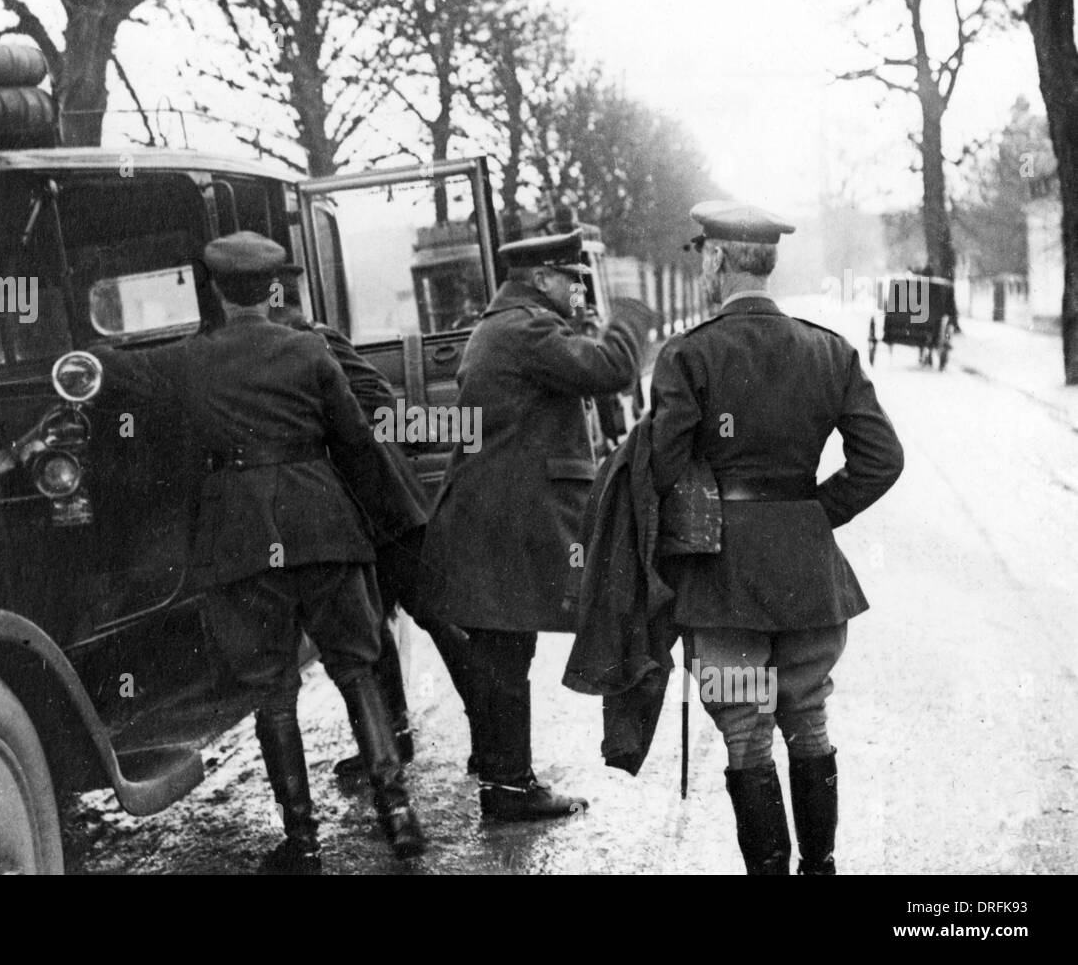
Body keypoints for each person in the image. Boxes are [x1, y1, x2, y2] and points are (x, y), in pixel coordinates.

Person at [93, 232, 426, 873]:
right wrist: (391, 524)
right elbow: (358, 443)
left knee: (272, 693)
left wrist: (85, 354)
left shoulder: (186, 360)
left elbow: (116, 374)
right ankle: (399, 816)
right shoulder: (308, 349)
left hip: (242, 541)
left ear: (214, 290)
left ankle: (302, 845)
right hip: (325, 527)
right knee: (357, 669)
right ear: (272, 290)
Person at [649, 201, 904, 874]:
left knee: (744, 728)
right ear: (767, 262)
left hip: (723, 579)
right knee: (809, 719)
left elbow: (665, 470)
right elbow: (882, 459)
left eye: (701, 257)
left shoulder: (688, 357)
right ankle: (820, 869)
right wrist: (814, 512)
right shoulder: (830, 349)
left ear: (714, 261)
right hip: (809, 574)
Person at [421, 230, 651, 821]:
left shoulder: (506, 326)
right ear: (541, 279)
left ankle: (504, 774)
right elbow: (612, 368)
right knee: (505, 651)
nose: (579, 287)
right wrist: (628, 312)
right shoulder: (525, 329)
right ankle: (509, 787)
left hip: (492, 513)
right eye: (572, 277)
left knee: (504, 648)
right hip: (503, 518)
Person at [267, 264, 478, 777]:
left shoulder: (314, 340)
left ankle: (492, 737)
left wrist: (337, 448)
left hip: (385, 511)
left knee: (439, 620)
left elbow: (380, 400)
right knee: (371, 632)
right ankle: (391, 742)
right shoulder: (279, 349)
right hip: (350, 521)